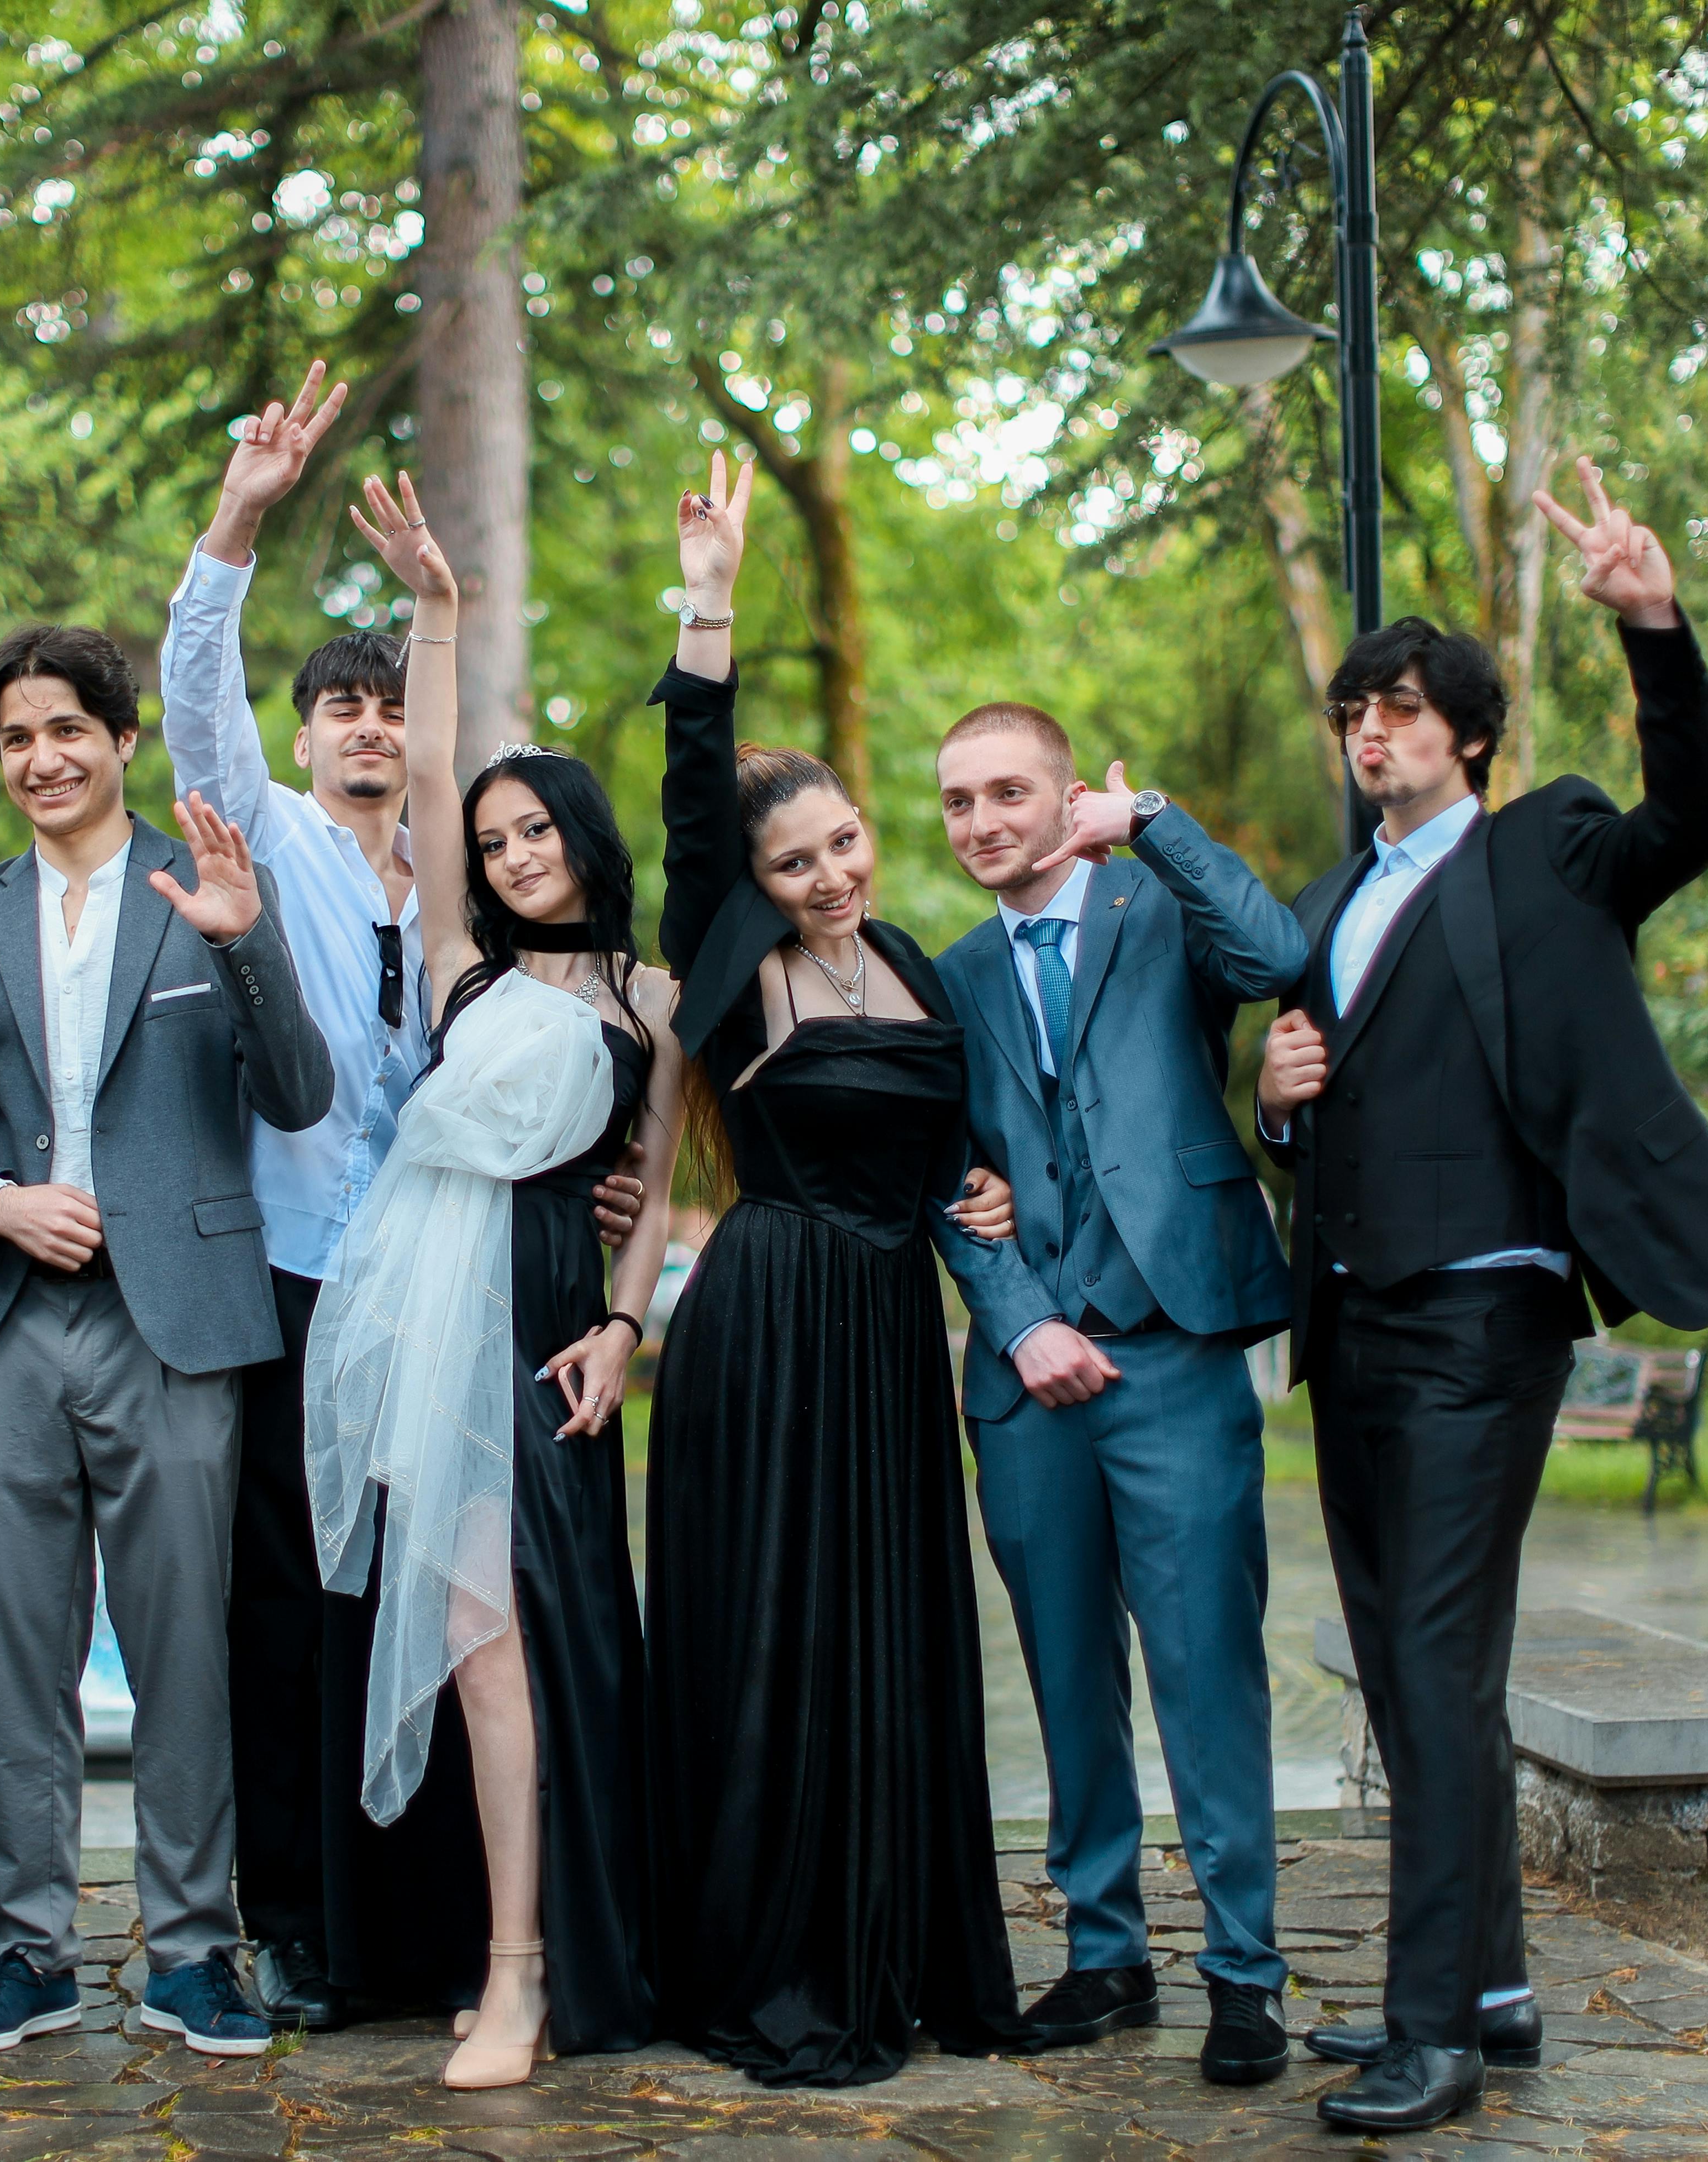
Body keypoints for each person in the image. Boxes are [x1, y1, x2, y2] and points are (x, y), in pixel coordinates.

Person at [1254, 455, 1708, 2134]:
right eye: (1356, 713)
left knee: (1430, 1647)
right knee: (1413, 1674)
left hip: (1485, 1317)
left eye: (1401, 712)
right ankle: (1485, 1983)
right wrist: (1273, 1097)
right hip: (1351, 1324)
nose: (1372, 736)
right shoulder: (1330, 901)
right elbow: (1309, 1106)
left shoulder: (1546, 851)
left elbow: (1692, 817)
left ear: (1464, 734)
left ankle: (1433, 2038)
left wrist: (1654, 626)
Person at [156, 364, 643, 2027]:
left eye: (389, 705)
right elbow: (193, 694)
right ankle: (299, 1919)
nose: (370, 727)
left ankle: (455, 1923)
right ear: (304, 739)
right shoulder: (270, 840)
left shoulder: (475, 905)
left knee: (447, 1596)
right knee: (296, 1606)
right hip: (304, 1273)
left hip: (478, 1288)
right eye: (341, 708)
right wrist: (242, 515)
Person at [0, 623, 332, 2061]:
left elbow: (302, 1093)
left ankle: (195, 1956)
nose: (40, 758)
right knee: (18, 1653)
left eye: (67, 729)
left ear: (121, 741)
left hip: (180, 1330)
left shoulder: (199, 890)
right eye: (15, 735)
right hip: (5, 1325)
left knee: (183, 1648)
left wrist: (244, 940)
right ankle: (29, 1955)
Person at [643, 455, 1028, 2089]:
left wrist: (980, 1195)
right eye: (795, 861)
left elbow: (950, 1142)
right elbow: (686, 785)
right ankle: (779, 1954)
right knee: (779, 1639)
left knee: (888, 1637)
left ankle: (902, 1942)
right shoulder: (734, 958)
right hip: (772, 1319)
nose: (831, 877)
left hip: (885, 1334)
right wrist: (712, 600)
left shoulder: (917, 966)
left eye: (846, 842)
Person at [301, 471, 685, 2090]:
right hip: (423, 1322)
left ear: (581, 837)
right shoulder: (462, 963)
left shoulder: (650, 996)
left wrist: (618, 1323)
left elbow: (654, 1195)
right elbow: (440, 758)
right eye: (490, 839)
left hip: (541, 1326)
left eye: (535, 831)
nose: (511, 851)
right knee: (472, 1652)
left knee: (534, 1645)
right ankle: (499, 1956)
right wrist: (436, 616)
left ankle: (533, 1975)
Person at [928, 705, 1306, 2085]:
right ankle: (1104, 1955)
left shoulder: (1160, 911)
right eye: (960, 802)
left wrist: (1155, 822)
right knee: (1069, 1674)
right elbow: (938, 1172)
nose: (983, 823)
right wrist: (1021, 1323)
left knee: (1210, 1668)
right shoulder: (950, 972)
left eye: (1010, 793)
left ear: (1069, 797)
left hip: (1176, 1344)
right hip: (1030, 1383)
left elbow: (1278, 955)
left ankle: (1246, 1973)